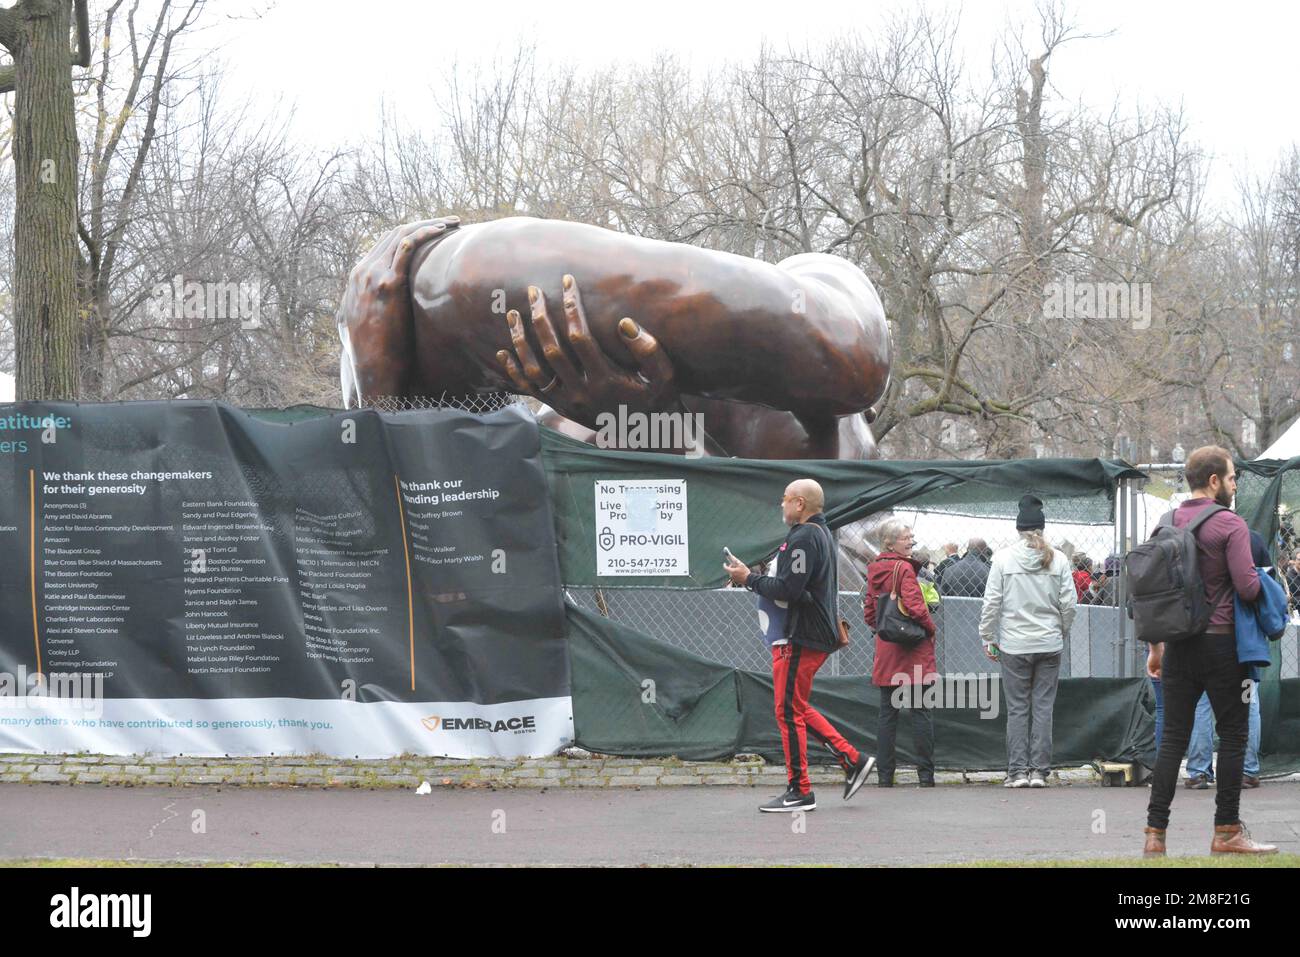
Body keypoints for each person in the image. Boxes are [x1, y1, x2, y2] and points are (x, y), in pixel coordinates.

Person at [1143, 446, 1277, 856]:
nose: (1235, 485)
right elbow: (1248, 586)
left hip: (1179, 646)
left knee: (1173, 741)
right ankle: (1226, 832)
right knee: (1234, 735)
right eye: (1233, 477)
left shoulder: (1166, 524)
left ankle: (1154, 835)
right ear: (1214, 480)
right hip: (1224, 647)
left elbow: (1154, 593)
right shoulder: (1230, 525)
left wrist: (1156, 649)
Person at [725, 479, 874, 812]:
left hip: (801, 636)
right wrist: (751, 576)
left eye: (785, 500)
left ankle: (800, 791)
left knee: (787, 712)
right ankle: (852, 759)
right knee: (795, 706)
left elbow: (790, 589)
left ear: (799, 504)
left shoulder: (805, 536)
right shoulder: (819, 534)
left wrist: (748, 579)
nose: (781, 505)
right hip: (807, 634)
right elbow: (801, 588)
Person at [979, 495, 1076, 788]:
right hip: (1049, 643)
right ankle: (1039, 772)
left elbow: (992, 602)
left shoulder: (1003, 559)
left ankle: (1017, 771)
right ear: (1042, 527)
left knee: (1018, 708)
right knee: (1043, 707)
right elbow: (1069, 604)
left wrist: (987, 636)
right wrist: (1061, 631)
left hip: (1014, 645)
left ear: (1018, 528)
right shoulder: (1058, 559)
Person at [1184, 529, 1271, 790]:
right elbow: (1266, 587)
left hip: (1203, 635)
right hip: (1244, 640)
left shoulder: (1194, 538)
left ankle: (1198, 771)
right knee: (1248, 700)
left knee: (1201, 703)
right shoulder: (1252, 538)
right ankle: (1247, 770)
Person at [864, 519, 938, 787]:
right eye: (906, 537)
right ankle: (926, 777)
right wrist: (930, 629)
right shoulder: (904, 569)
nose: (911, 541)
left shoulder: (874, 570)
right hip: (913, 651)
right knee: (921, 712)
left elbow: (870, 613)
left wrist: (885, 629)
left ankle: (885, 777)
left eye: (911, 537)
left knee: (887, 714)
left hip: (888, 651)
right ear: (890, 542)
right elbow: (917, 608)